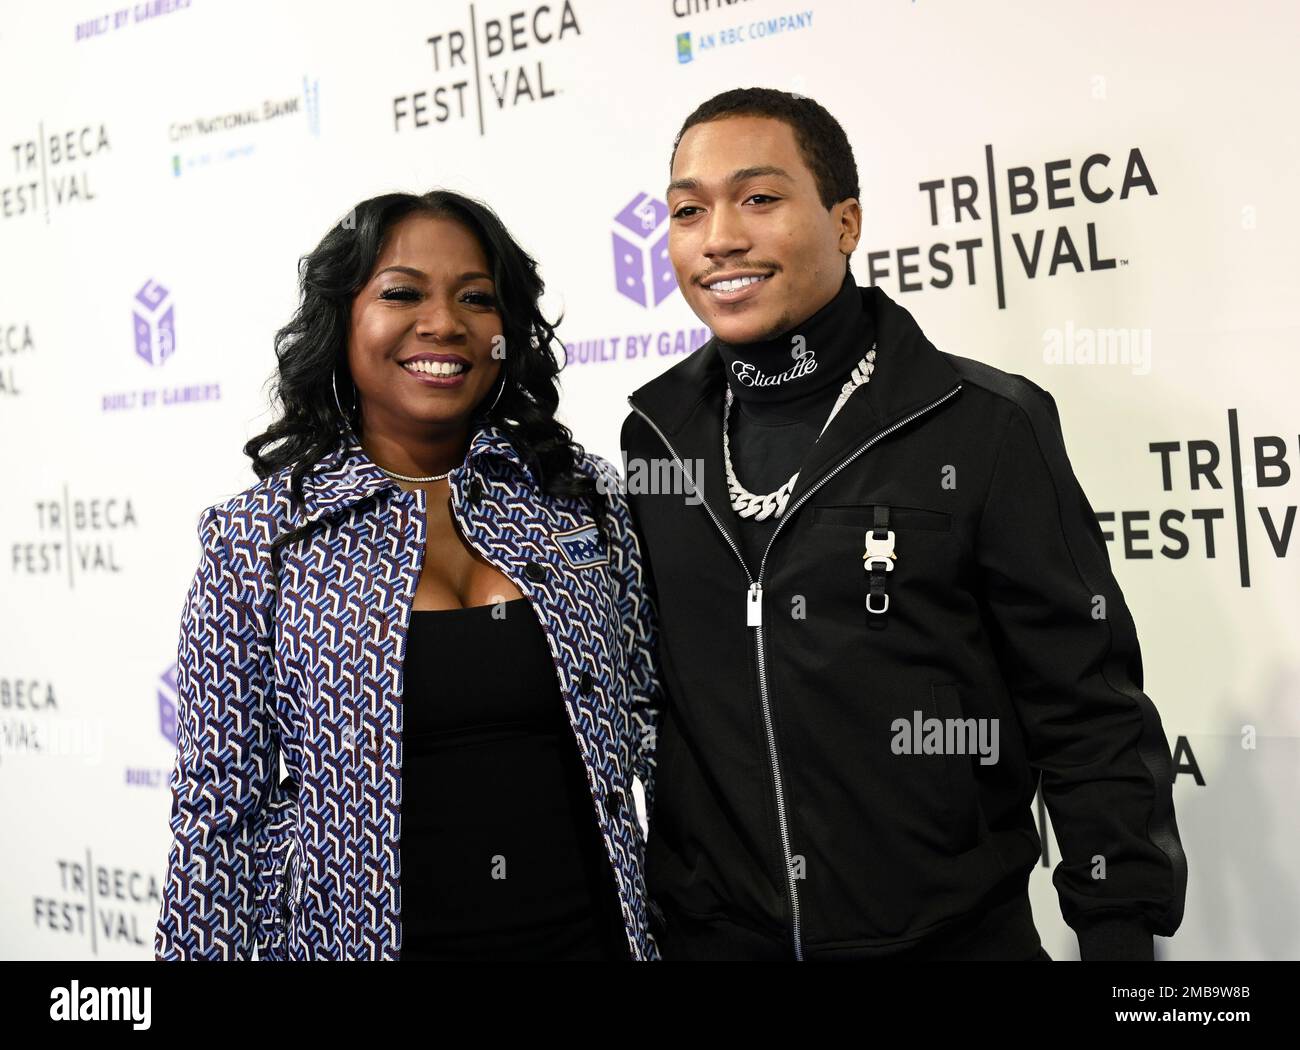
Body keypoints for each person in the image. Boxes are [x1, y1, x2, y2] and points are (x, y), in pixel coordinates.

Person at [621, 88, 1187, 961]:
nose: (719, 236)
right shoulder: (654, 436)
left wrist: (1121, 942)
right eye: (689, 210)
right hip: (717, 942)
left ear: (845, 222)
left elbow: (1086, 714)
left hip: (953, 942)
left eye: (759, 198)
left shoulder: (984, 422)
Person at [154, 189, 660, 961]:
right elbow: (220, 810)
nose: (445, 323)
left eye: (476, 298)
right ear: (342, 320)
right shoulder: (259, 540)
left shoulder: (579, 498)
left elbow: (653, 721)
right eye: (402, 293)